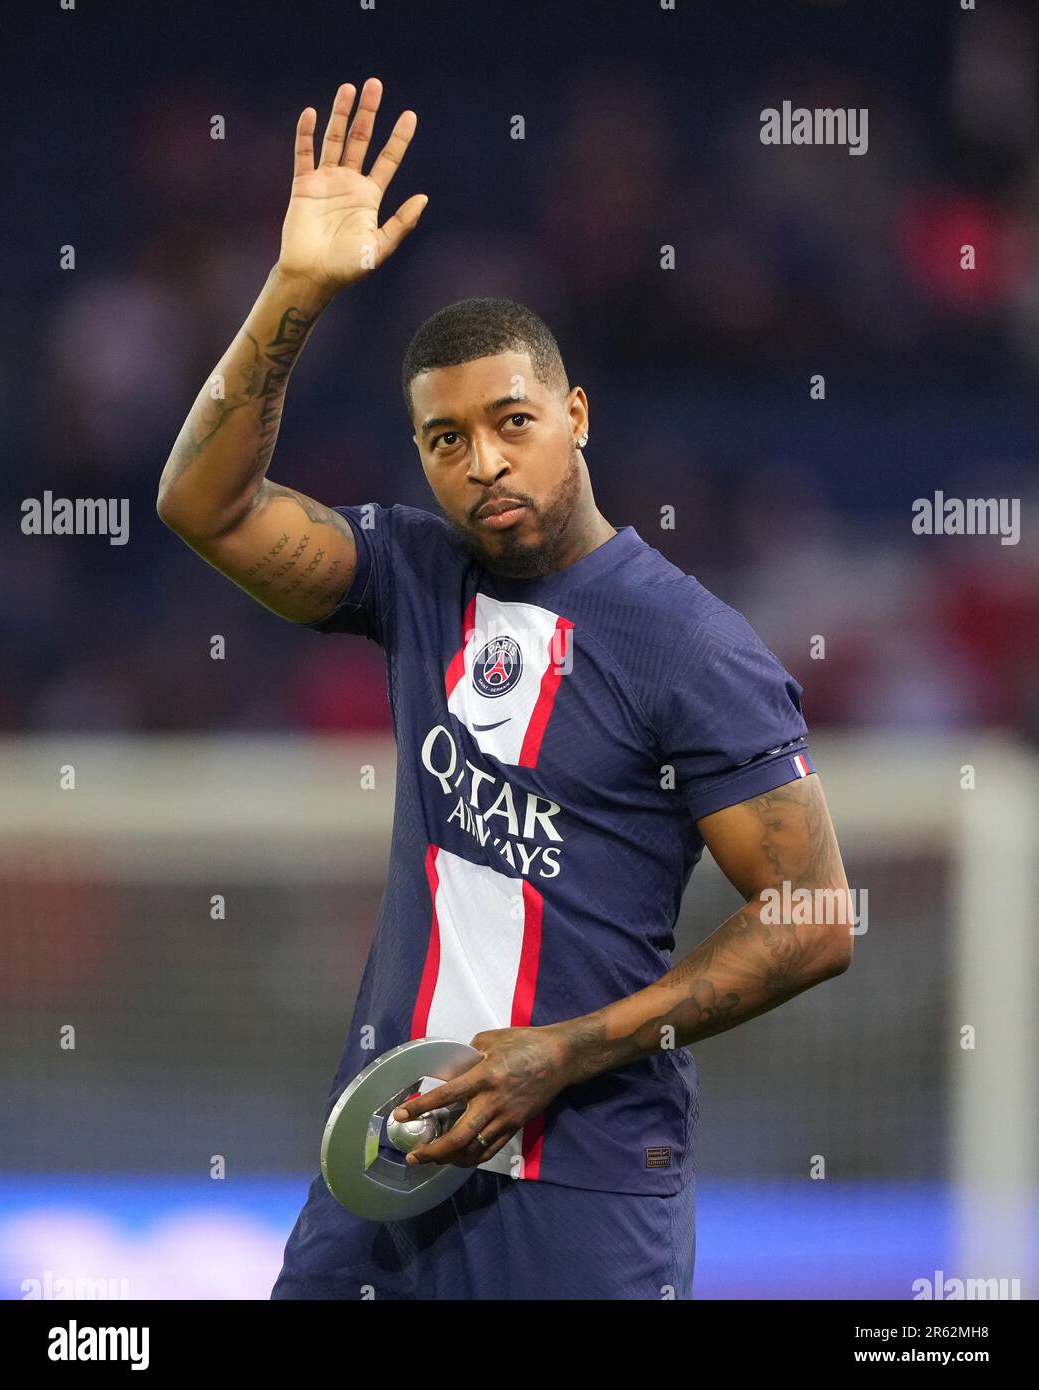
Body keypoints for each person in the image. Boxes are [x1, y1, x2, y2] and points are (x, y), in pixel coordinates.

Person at [157, 77, 854, 1300]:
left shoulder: (691, 644)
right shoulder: (413, 573)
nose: (483, 463)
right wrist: (298, 291)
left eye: (513, 421)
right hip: (388, 1159)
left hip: (583, 1187)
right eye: (445, 440)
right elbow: (201, 507)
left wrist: (562, 1053)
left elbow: (817, 916)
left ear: (575, 416)